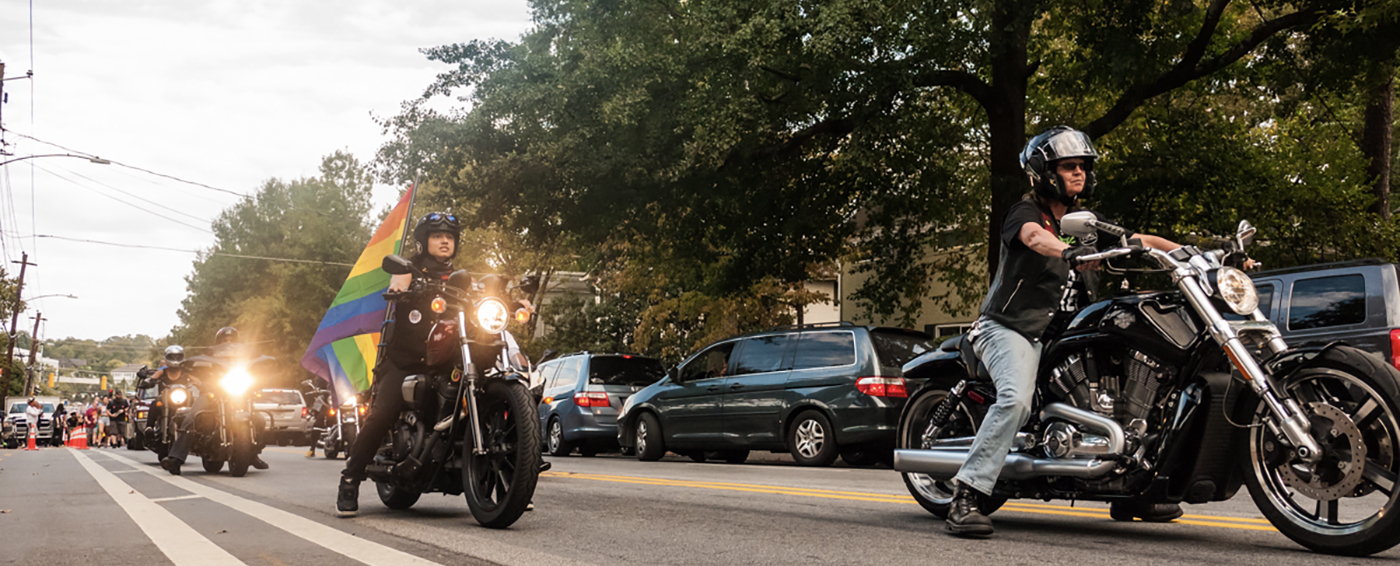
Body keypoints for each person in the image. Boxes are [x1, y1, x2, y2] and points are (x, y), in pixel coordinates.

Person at [944, 126, 1184, 537]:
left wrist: (1186, 253)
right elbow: (1035, 239)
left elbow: (1136, 240)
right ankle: (966, 494)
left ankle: (1134, 487)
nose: (1079, 174)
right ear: (1044, 172)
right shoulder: (1025, 213)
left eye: (1083, 167)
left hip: (1064, 334)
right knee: (1016, 401)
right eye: (1069, 167)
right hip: (1011, 328)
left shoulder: (1084, 222)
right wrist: (1068, 250)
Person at [337, 211, 462, 517]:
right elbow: (398, 281)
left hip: (448, 359)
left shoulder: (460, 278)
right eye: (437, 236)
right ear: (422, 242)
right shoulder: (410, 269)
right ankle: (350, 478)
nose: (445, 241)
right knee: (382, 414)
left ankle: (515, 476)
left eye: (449, 237)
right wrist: (398, 290)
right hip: (407, 360)